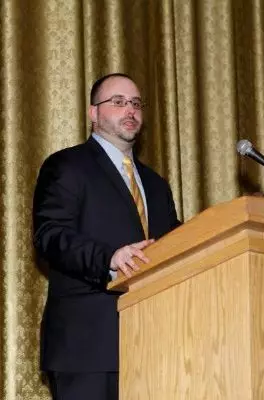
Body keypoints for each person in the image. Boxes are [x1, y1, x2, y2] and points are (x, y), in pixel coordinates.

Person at [33, 73, 180, 400]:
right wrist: (108, 259)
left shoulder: (156, 185)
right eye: (117, 102)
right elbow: (50, 235)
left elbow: (175, 244)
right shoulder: (67, 165)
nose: (130, 110)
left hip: (154, 345)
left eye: (136, 104)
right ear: (93, 113)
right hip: (87, 348)